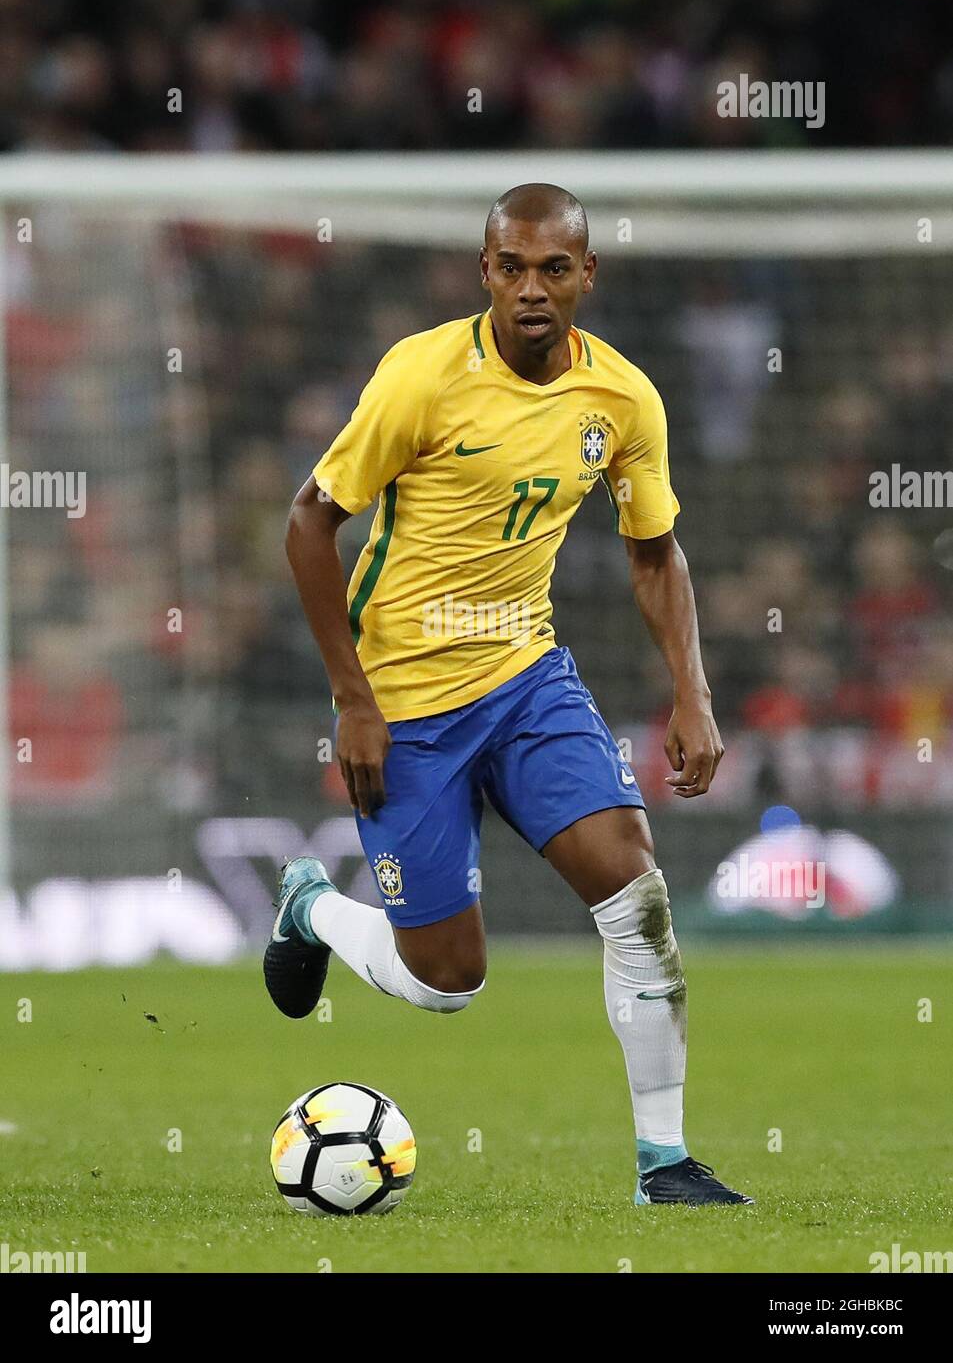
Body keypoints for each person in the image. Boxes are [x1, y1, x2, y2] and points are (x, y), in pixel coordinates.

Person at [265, 183, 751, 1206]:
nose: (533, 289)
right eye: (513, 268)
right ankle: (312, 906)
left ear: (586, 274)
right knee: (448, 980)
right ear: (484, 272)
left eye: (554, 268)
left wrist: (691, 692)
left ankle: (663, 1161)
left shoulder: (621, 400)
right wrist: (353, 700)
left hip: (529, 678)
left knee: (636, 894)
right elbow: (310, 523)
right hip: (404, 705)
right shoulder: (421, 377)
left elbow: (655, 552)